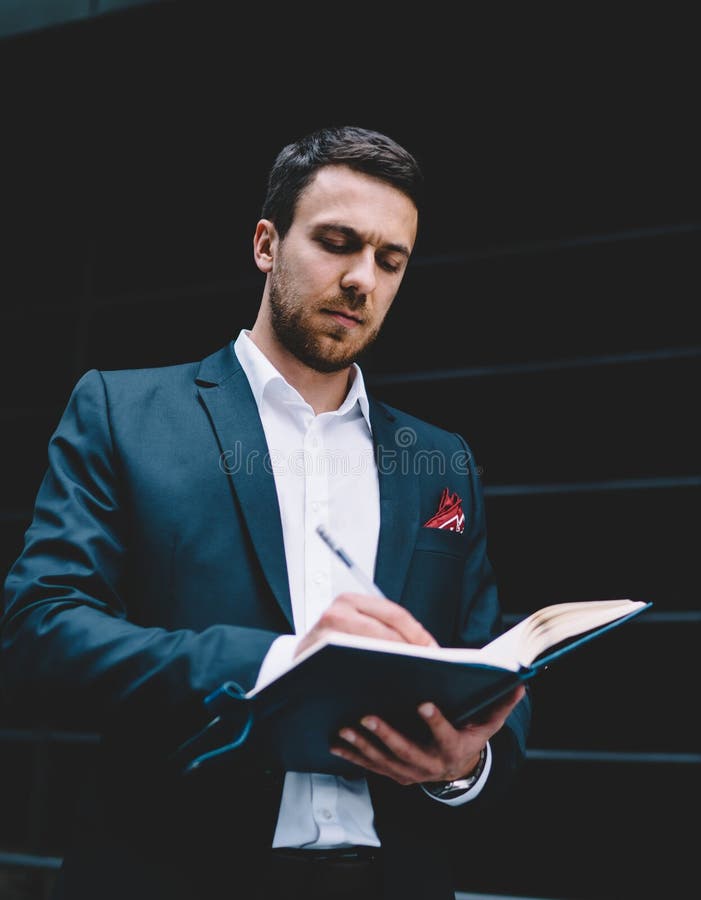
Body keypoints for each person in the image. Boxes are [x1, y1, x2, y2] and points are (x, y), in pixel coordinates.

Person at [1, 125, 531, 900]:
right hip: (169, 875)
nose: (362, 279)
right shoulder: (123, 412)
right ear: (265, 244)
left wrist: (464, 765)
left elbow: (482, 659)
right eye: (337, 243)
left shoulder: (441, 459)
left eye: (389, 260)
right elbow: (39, 630)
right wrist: (277, 665)